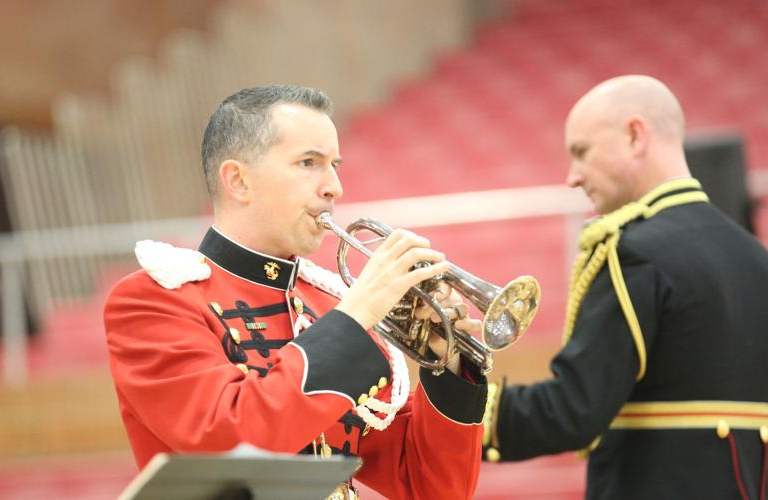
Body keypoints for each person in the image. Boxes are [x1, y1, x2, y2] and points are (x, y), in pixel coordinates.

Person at [104, 84, 489, 499]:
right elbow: (229, 436)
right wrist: (354, 319)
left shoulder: (329, 305)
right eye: (309, 163)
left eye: (334, 165)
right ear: (237, 181)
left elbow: (433, 488)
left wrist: (444, 361)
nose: (334, 187)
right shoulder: (153, 300)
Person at [482, 74, 768, 499]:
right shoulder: (755, 256)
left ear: (635, 136)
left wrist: (462, 401)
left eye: (582, 152)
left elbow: (570, 412)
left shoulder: (632, 253)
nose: (572, 177)